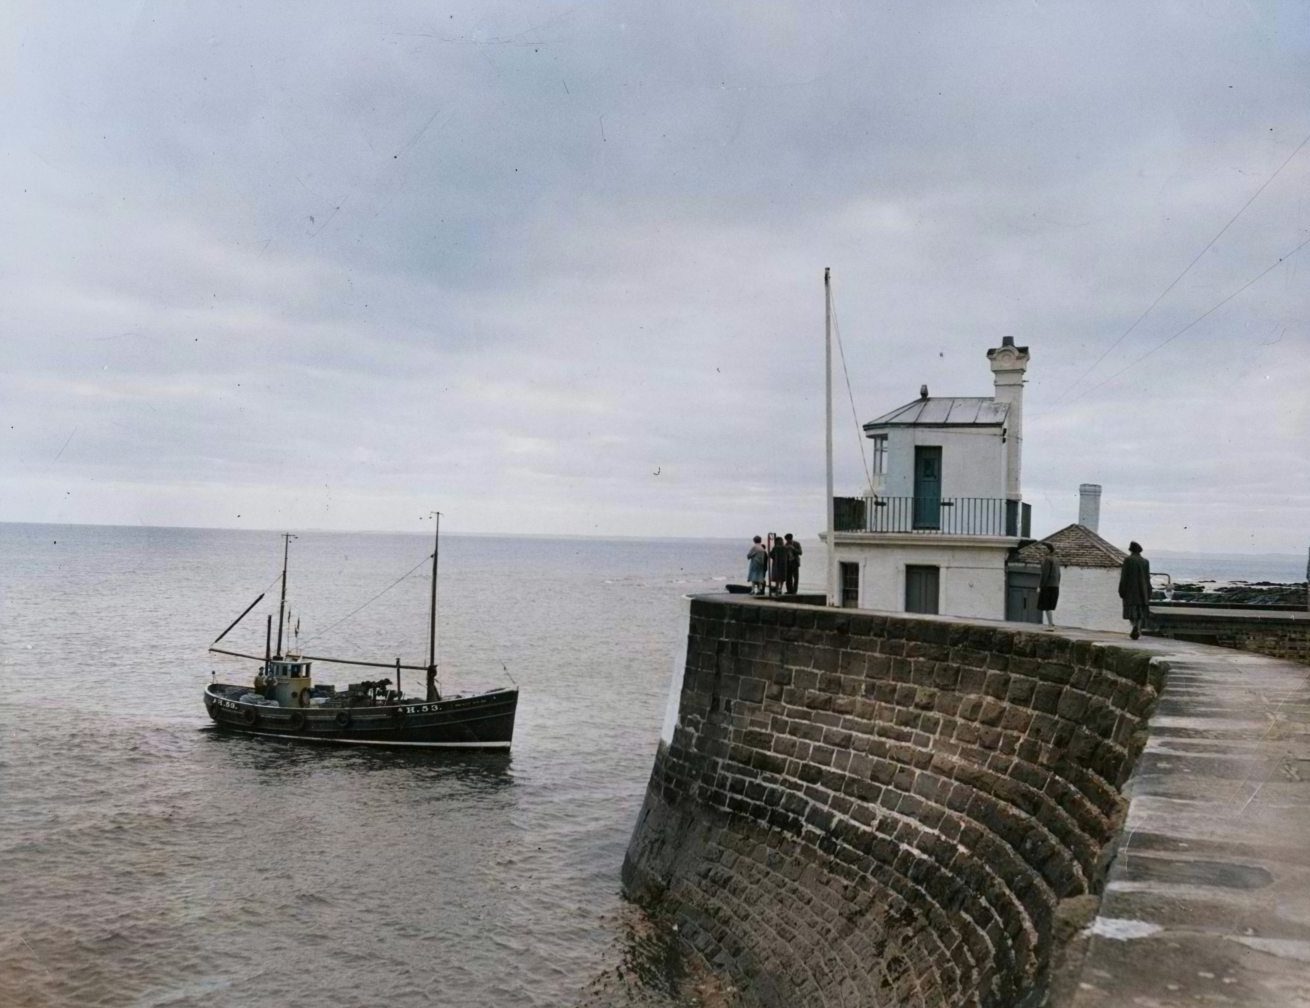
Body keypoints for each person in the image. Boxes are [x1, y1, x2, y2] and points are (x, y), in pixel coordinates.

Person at [1119, 541, 1151, 639]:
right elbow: (1147, 577)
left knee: (1131, 611)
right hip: (1143, 591)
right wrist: (1149, 591)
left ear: (1130, 550)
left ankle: (1134, 626)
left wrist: (1121, 590)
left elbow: (1124, 576)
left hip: (1131, 590)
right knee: (1140, 611)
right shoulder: (1145, 561)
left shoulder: (1128, 560)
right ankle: (1137, 627)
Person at [1038, 542, 1061, 629]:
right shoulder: (1056, 559)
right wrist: (1057, 584)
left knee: (1046, 605)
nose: (1043, 550)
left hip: (1048, 585)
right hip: (1055, 585)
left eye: (1044, 549)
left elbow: (1045, 574)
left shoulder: (1047, 559)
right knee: (1050, 606)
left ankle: (1050, 624)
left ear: (1049, 550)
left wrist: (1040, 586)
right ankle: (1051, 623)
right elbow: (1059, 574)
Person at [768, 533, 790, 598]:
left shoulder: (775, 548)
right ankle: (780, 588)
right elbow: (788, 555)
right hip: (784, 564)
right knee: (782, 577)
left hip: (776, 564)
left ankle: (777, 588)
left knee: (777, 577)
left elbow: (771, 555)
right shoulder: (785, 548)